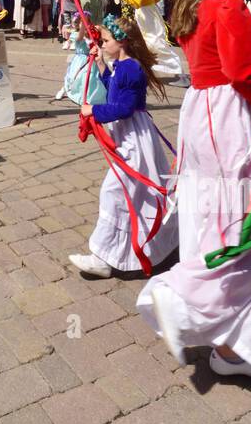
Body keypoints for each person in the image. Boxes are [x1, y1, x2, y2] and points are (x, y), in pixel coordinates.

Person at [137, 0, 251, 382]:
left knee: (215, 216)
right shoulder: (227, 8)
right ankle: (184, 301)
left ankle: (227, 343)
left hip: (200, 112)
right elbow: (243, 73)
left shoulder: (188, 10)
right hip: (229, 114)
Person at [70, 15, 178, 277]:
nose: (102, 44)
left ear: (123, 42)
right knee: (133, 194)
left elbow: (125, 107)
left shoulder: (131, 68)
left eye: (106, 40)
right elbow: (114, 91)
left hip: (134, 140)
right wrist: (101, 67)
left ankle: (102, 258)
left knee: (114, 191)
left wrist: (92, 110)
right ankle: (150, 246)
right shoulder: (121, 65)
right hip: (128, 137)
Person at [120, 0, 185, 82]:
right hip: (152, 15)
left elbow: (136, 4)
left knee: (153, 43)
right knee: (151, 43)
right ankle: (147, 70)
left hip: (146, 17)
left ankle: (177, 71)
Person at [55, 13, 108, 106]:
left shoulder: (91, 34)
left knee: (91, 78)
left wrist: (96, 32)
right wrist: (83, 25)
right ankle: (65, 89)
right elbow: (80, 37)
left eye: (87, 22)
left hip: (91, 59)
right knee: (73, 77)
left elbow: (98, 39)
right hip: (79, 60)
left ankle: (87, 96)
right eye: (82, 22)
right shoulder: (76, 34)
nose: (85, 24)